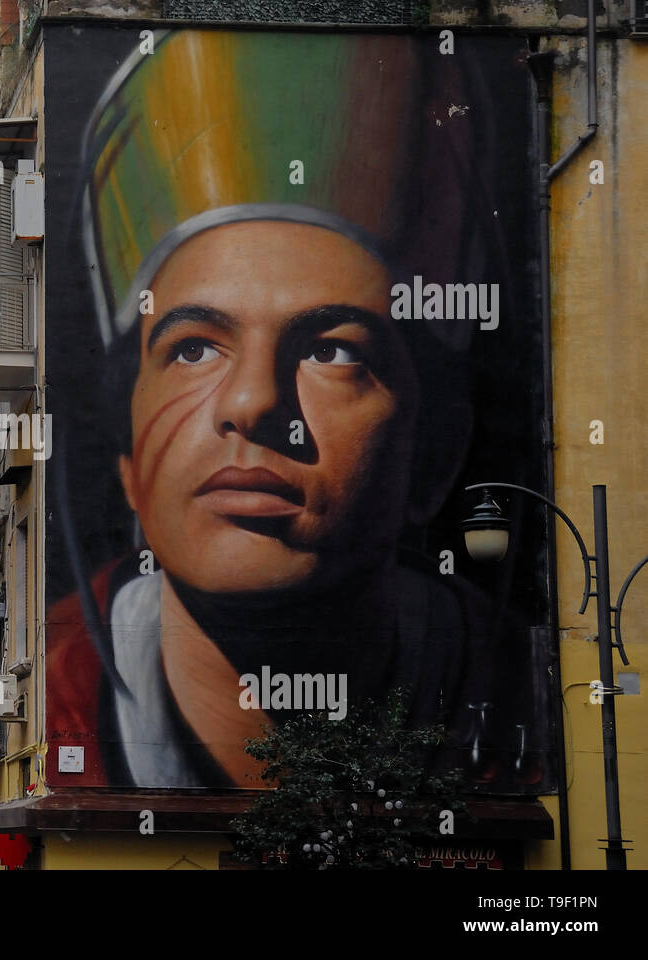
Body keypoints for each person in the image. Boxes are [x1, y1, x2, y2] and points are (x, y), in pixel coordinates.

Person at [46, 29, 543, 790]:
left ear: (437, 452)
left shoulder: (529, 698)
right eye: (193, 348)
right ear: (126, 459)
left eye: (332, 351)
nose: (252, 403)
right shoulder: (53, 701)